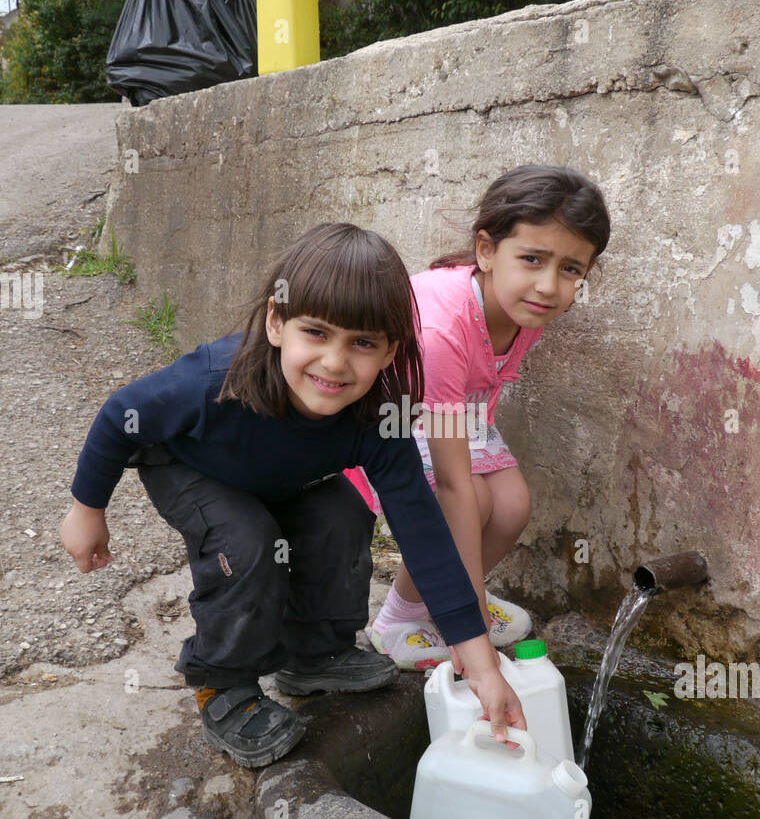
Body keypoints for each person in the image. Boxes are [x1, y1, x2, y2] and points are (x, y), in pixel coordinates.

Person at [60, 223, 527, 769]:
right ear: (276, 322)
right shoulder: (213, 380)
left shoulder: (381, 416)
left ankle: (314, 654)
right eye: (316, 333)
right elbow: (121, 416)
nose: (334, 362)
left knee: (343, 514)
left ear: (390, 351)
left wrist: (481, 663)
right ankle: (223, 683)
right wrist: (87, 509)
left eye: (363, 343)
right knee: (247, 541)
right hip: (191, 468)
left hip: (285, 476)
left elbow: (423, 530)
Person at [347, 164, 611, 669]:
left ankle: (435, 602)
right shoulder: (440, 329)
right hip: (389, 418)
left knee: (510, 505)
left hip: (451, 412)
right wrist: (473, 630)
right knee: (467, 504)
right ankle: (401, 620)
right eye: (532, 259)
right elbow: (452, 486)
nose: (548, 285)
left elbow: (478, 397)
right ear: (486, 250)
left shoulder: (524, 306)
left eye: (570, 269)